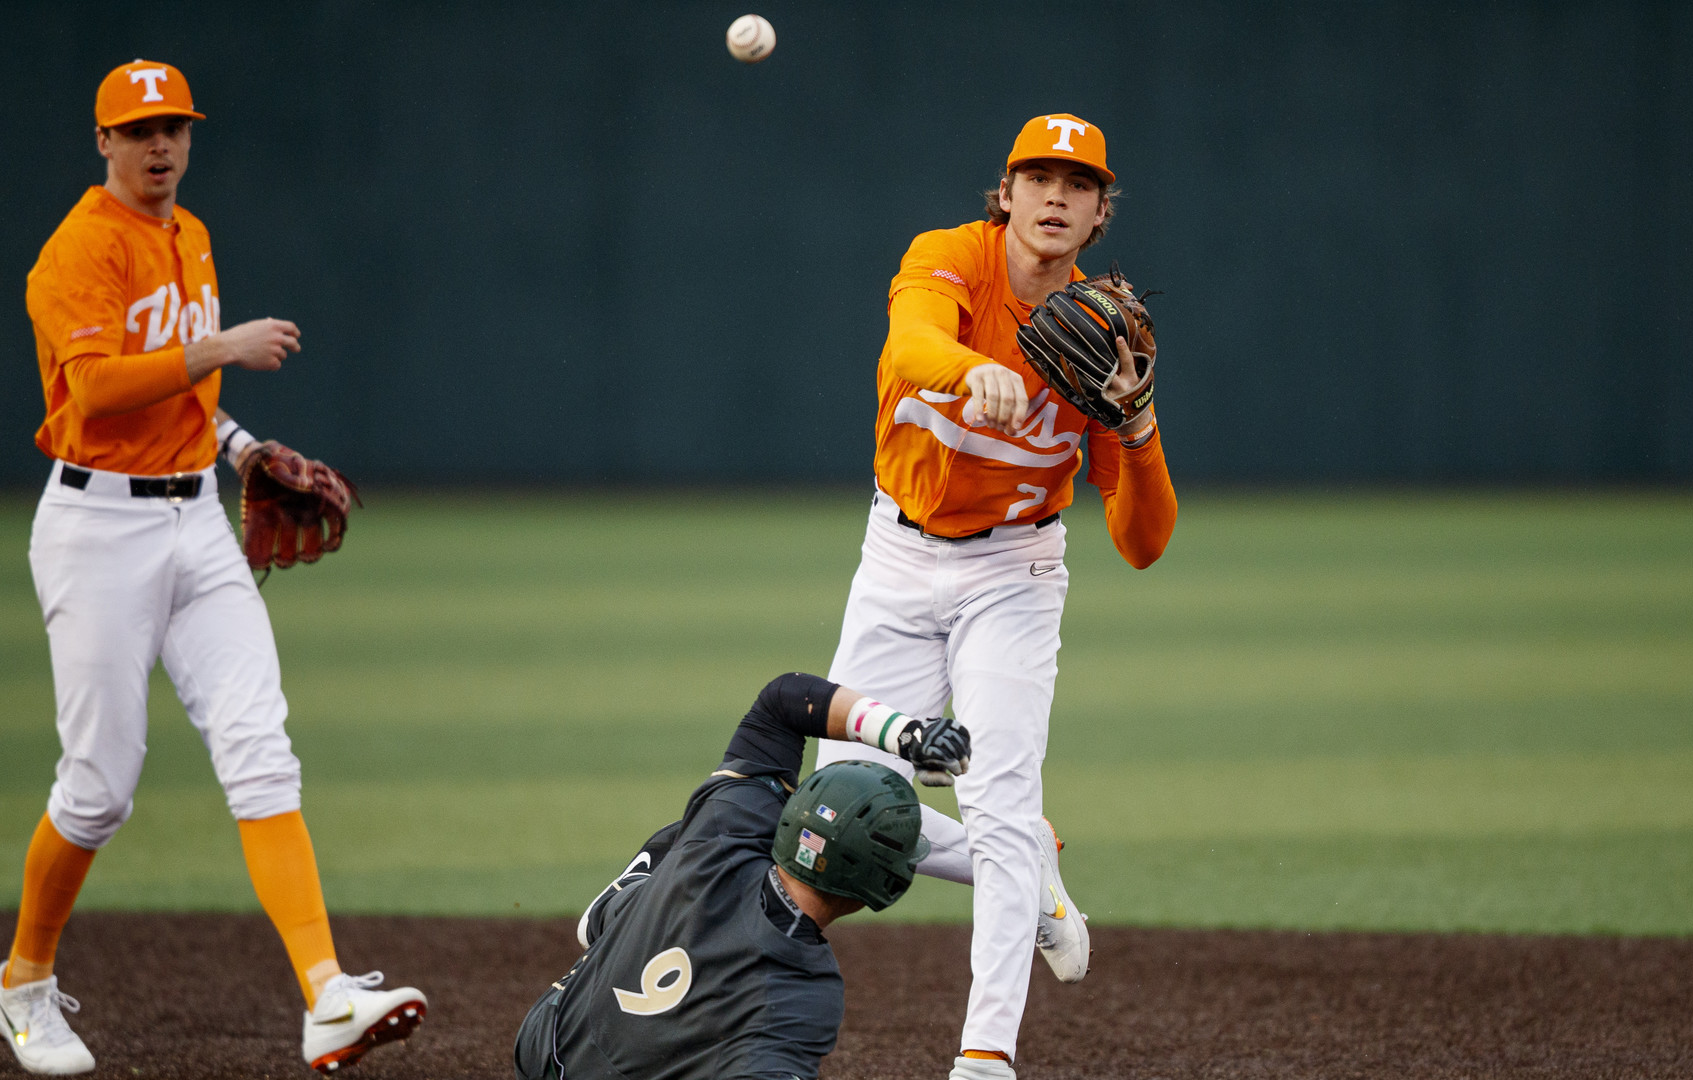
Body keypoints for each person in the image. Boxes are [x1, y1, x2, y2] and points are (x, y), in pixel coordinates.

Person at [1, 60, 423, 1075]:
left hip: (195, 520)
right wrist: (220, 347)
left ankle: (326, 995)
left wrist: (236, 446)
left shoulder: (189, 234)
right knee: (99, 788)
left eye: (175, 128)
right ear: (104, 142)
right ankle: (23, 982)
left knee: (260, 751)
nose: (161, 146)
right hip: (96, 531)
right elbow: (96, 389)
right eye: (140, 130)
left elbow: (180, 391)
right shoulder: (76, 251)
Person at [812, 112, 1178, 1080]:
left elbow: (1143, 544)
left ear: (1099, 214)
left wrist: (1137, 424)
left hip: (1013, 574)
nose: (1056, 195)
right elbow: (909, 349)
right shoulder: (948, 257)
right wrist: (977, 367)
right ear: (1006, 194)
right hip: (896, 557)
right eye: (1038, 178)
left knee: (1002, 797)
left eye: (1079, 184)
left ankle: (985, 1056)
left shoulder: (1104, 335)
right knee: (836, 809)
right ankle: (1028, 868)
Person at [513, 672, 971, 1080]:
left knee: (688, 835)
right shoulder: (805, 990)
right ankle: (623, 909)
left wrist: (906, 735)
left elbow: (783, 698)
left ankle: (622, 907)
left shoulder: (730, 821)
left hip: (542, 1042)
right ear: (882, 888)